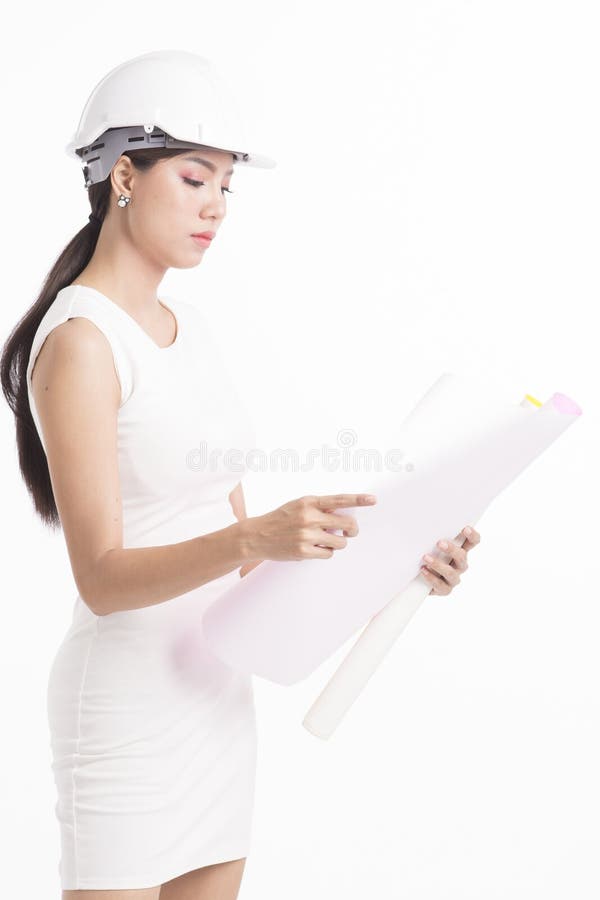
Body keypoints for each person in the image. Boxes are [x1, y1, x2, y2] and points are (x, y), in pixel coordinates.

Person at [0, 50, 386, 899]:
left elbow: (253, 570)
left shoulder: (191, 329)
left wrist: (401, 562)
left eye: (226, 186)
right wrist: (254, 535)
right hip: (126, 715)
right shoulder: (83, 342)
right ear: (123, 176)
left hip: (214, 702)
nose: (216, 205)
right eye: (193, 177)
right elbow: (102, 578)